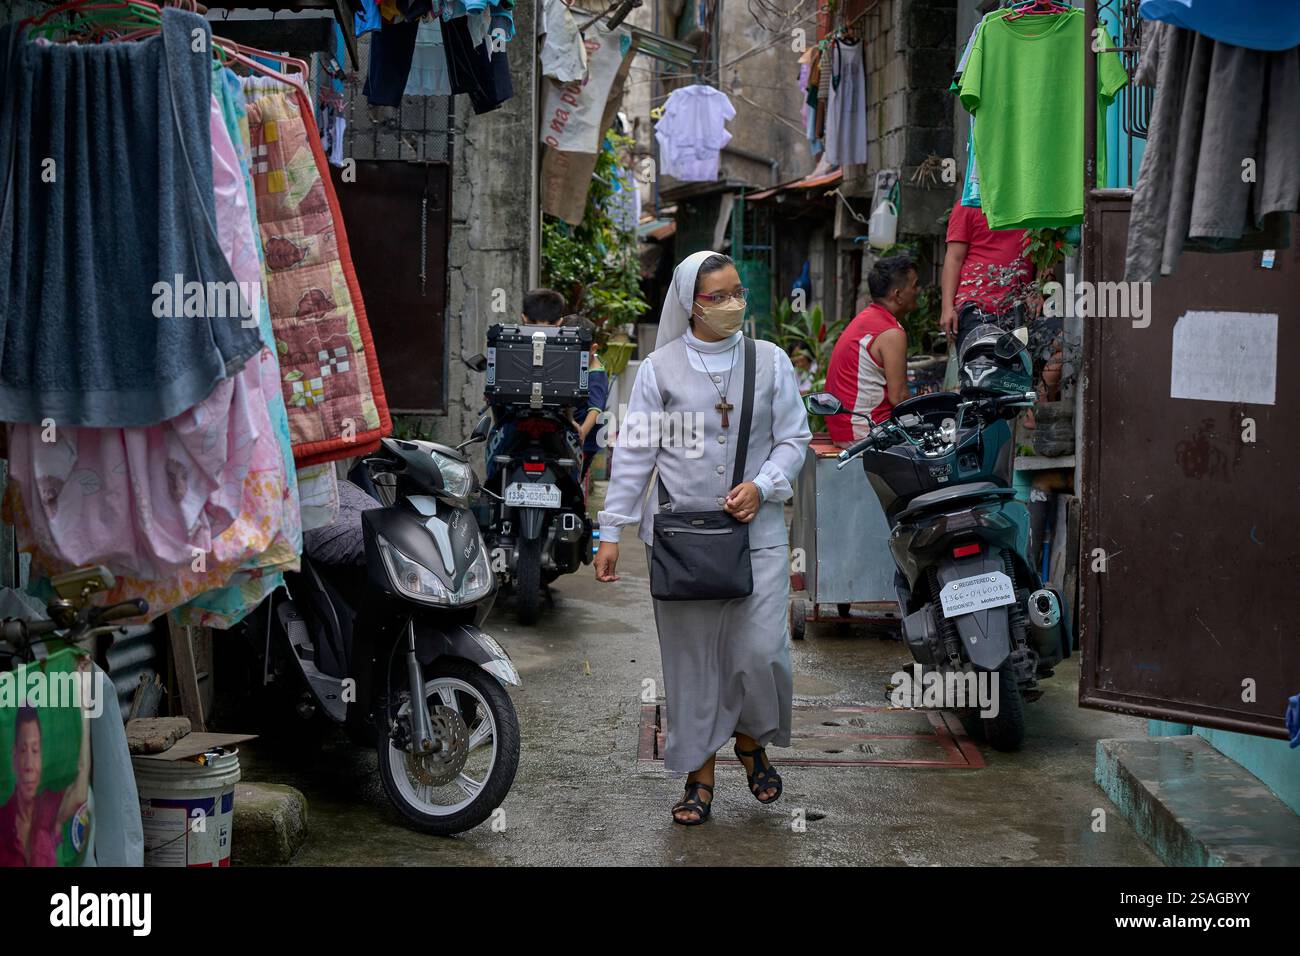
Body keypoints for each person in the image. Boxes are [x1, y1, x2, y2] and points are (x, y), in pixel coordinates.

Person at [593, 250, 812, 826]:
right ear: (691, 303)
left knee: (761, 653)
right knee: (691, 663)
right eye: (718, 296)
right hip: (681, 540)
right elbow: (635, 453)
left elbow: (794, 439)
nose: (733, 304)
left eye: (738, 292)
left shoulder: (770, 362)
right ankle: (698, 775)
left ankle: (750, 737)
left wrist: (762, 486)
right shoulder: (659, 369)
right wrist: (610, 530)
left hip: (755, 532)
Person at [824, 255, 917, 444]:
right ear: (897, 294)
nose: (919, 291)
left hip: (846, 428)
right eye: (915, 286)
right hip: (865, 432)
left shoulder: (866, 318)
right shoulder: (891, 332)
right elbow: (899, 397)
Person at [0, 703, 90, 867]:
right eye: (22, 750)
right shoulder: (3, 819)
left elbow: (79, 794)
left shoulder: (52, 808)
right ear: (13, 756)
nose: (29, 766)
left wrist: (81, 692)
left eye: (35, 751)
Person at [940, 200, 1033, 354]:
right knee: (982, 369)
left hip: (1021, 306)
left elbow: (1044, 252)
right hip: (976, 307)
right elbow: (954, 259)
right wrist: (947, 308)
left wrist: (1037, 290)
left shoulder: (1031, 203)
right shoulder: (968, 204)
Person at [562, 315, 608, 481]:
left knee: (573, 480)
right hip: (568, 434)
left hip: (585, 441)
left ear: (593, 349)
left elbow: (595, 408)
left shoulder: (596, 375)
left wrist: (582, 432)